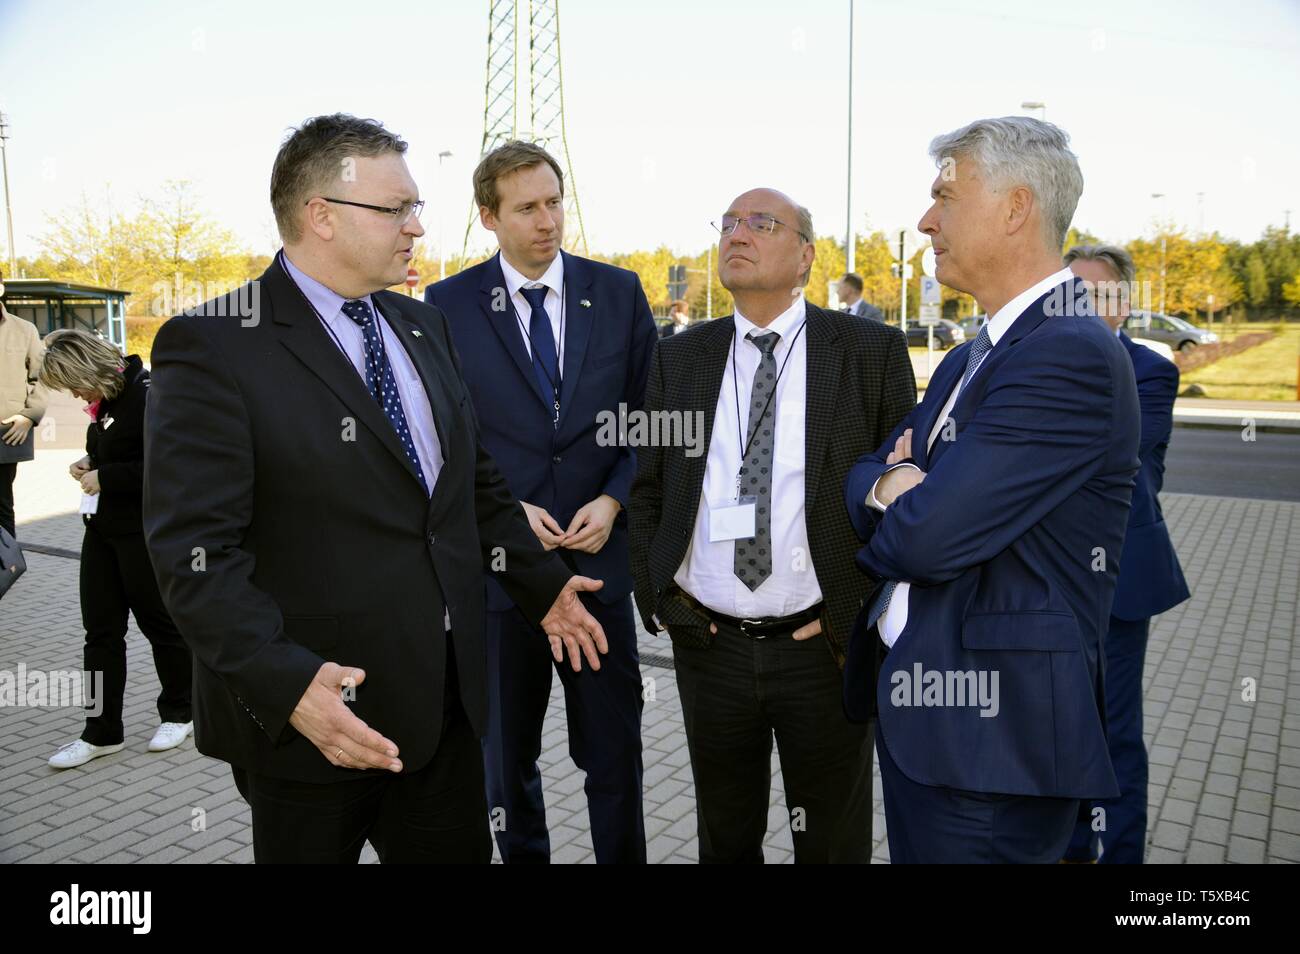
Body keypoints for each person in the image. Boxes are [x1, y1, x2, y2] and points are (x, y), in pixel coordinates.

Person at [143, 114, 609, 863]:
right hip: (316, 716)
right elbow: (193, 554)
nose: (417, 227)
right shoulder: (215, 342)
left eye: (415, 207)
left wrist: (542, 585)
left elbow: (471, 485)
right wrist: (289, 685)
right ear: (320, 215)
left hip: (445, 709)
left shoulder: (422, 325)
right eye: (397, 209)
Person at [843, 117, 1140, 863]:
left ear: (1015, 208)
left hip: (990, 750)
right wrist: (894, 485)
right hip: (935, 728)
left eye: (946, 196)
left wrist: (903, 493)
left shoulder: (1065, 354)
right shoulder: (972, 356)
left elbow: (927, 538)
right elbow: (862, 475)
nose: (925, 220)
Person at [629, 188, 915, 863]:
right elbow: (645, 488)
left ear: (805, 257)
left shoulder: (869, 350)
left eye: (761, 223)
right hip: (709, 648)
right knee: (725, 839)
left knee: (832, 842)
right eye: (729, 223)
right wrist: (660, 596)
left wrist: (859, 610)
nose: (738, 234)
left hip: (824, 649)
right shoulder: (679, 357)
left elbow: (904, 497)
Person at [425, 140, 656, 863]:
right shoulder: (447, 305)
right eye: (526, 208)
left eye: (555, 202)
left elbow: (650, 419)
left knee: (614, 757)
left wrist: (614, 500)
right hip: (502, 581)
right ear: (489, 216)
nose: (547, 221)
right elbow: (445, 434)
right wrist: (504, 510)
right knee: (504, 764)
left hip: (597, 574)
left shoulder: (617, 292)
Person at [1063, 243, 1189, 864]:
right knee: (1059, 726)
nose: (1086, 304)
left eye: (1100, 292)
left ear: (1125, 302)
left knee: (1114, 731)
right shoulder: (1038, 362)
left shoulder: (1149, 371)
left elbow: (1118, 452)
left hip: (1117, 582)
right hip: (1050, 579)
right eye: (1073, 293)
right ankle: (1070, 847)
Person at [37, 330, 193, 769]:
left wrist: (106, 477)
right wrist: (91, 461)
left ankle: (181, 711)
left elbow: (171, 465)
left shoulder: (148, 396)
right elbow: (114, 449)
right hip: (102, 532)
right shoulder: (106, 400)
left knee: (160, 625)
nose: (74, 395)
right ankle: (101, 732)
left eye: (74, 385)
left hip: (143, 533)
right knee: (100, 634)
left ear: (89, 369)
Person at [0, 270, 49, 538]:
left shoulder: (24, 330)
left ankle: (5, 561)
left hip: (5, 431)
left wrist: (29, 416)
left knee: (1, 505)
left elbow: (44, 377)